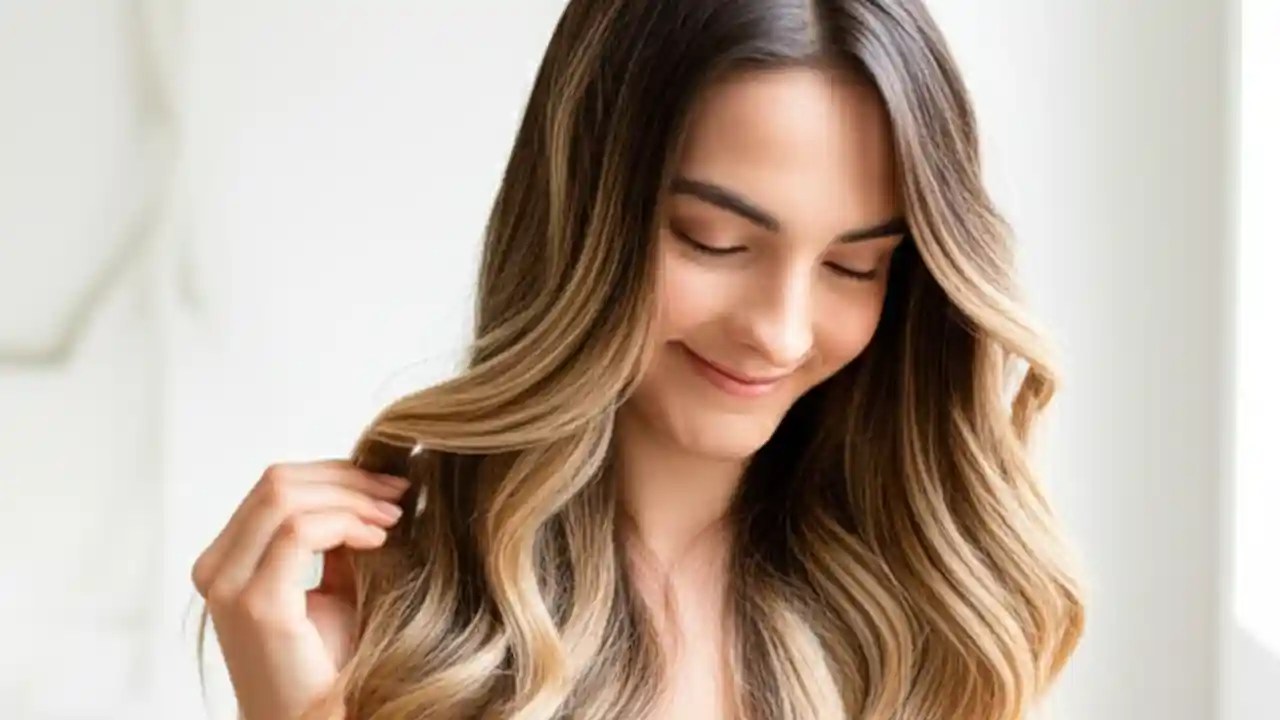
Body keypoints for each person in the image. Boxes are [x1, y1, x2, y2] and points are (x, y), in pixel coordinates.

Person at [190, 0, 1086, 718]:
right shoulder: (386, 619)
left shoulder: (930, 618)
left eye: (855, 265)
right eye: (715, 241)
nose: (779, 331)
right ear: (579, 218)